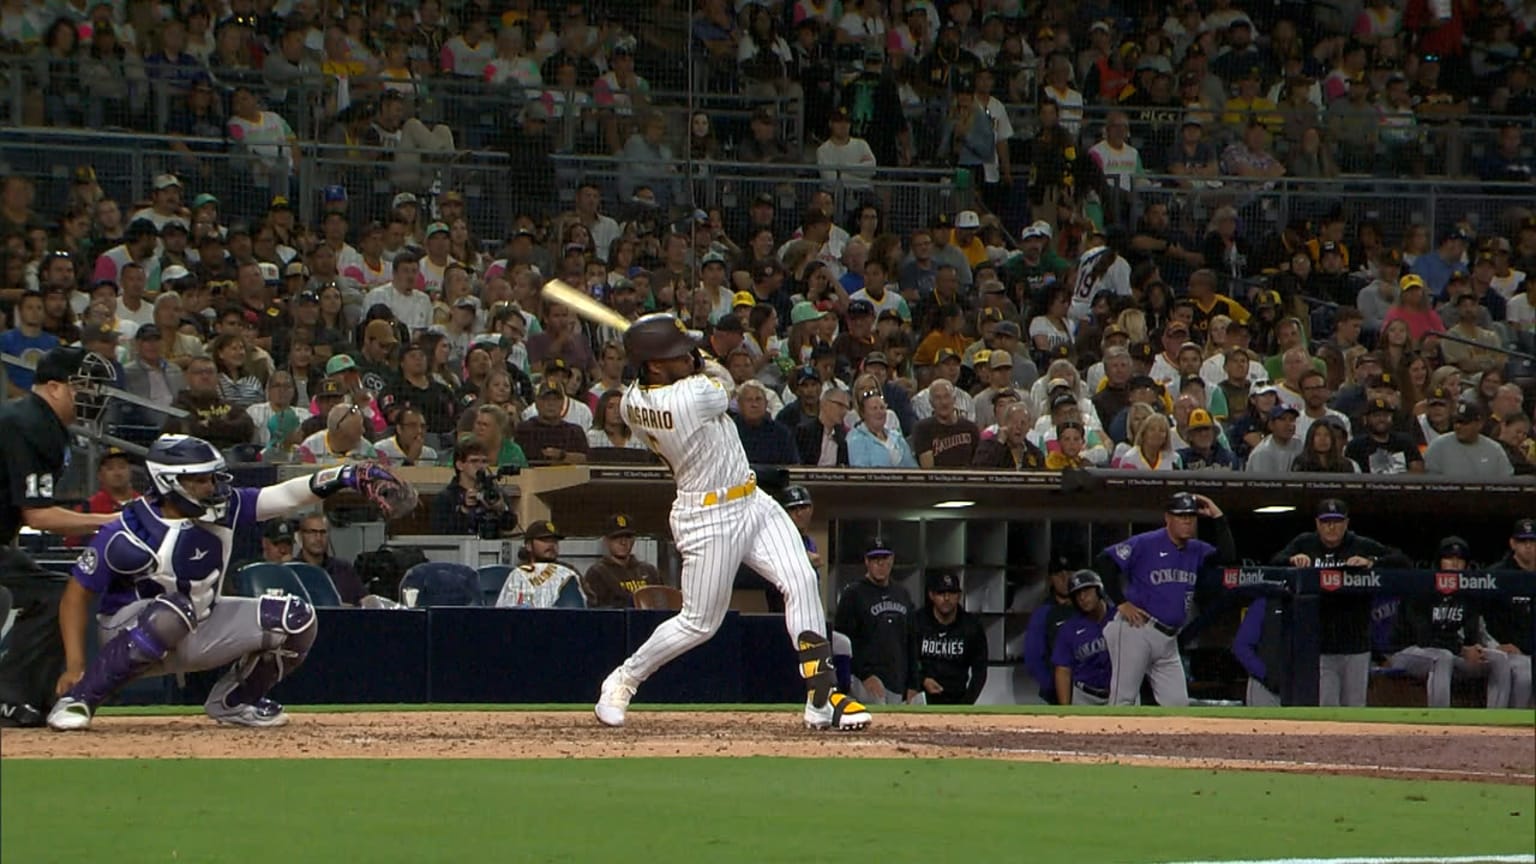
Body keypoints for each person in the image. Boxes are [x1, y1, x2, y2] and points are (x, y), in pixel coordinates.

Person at [594, 314, 869, 730]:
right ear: (653, 365)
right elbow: (723, 386)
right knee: (699, 623)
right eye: (675, 353)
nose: (687, 355)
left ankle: (823, 696)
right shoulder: (686, 397)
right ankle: (622, 680)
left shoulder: (632, 399)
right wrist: (700, 359)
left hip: (751, 499)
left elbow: (694, 367)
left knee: (800, 580)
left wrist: (677, 350)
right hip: (707, 517)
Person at [47, 435, 411, 730]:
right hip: (130, 632)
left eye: (211, 477)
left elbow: (285, 496)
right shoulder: (124, 532)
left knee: (297, 618)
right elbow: (75, 597)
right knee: (176, 609)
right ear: (168, 482)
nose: (211, 487)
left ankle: (236, 701)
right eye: (200, 480)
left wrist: (345, 475)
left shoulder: (225, 507)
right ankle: (81, 698)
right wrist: (75, 664)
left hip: (202, 626)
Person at [0, 347, 121, 727]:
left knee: (52, 594)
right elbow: (39, 515)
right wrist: (110, 520)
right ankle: (10, 697)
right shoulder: (27, 423)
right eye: (82, 388)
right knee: (52, 595)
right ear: (54, 387)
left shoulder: (37, 421)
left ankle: (19, 698)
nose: (91, 398)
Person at [1095, 492, 1235, 706]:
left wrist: (1218, 515)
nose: (1187, 520)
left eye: (1191, 515)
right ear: (1167, 518)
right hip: (1136, 630)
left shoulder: (1195, 549)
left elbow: (1228, 557)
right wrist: (1121, 602)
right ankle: (1106, 740)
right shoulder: (1146, 542)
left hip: (1169, 639)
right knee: (1123, 700)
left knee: (1178, 705)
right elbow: (1105, 561)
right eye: (1180, 515)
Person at [1270, 498, 1406, 707]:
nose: (1331, 527)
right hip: (1320, 646)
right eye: (1326, 522)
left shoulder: (1359, 544)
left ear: (1346, 523)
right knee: (1326, 707)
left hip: (1356, 643)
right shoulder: (1305, 543)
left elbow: (1401, 561)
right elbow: (1274, 562)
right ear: (1317, 524)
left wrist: (1372, 562)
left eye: (1336, 521)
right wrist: (1292, 560)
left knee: (1355, 708)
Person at [1386, 536, 1513, 709]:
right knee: (1442, 657)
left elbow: (1471, 634)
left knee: (1499, 659)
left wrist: (1474, 649)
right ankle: (1440, 722)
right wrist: (1461, 649)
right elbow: (1424, 637)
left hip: (1451, 652)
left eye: (1459, 560)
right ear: (1439, 562)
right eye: (1449, 559)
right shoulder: (1421, 589)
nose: (1454, 564)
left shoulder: (1468, 593)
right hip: (1407, 652)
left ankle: (1496, 720)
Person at [833, 538, 914, 706]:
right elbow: (842, 642)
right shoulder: (853, 594)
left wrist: (913, 683)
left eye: (884, 559)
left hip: (897, 678)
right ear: (866, 562)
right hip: (865, 679)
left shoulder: (902, 594)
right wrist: (864, 675)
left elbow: (911, 640)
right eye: (875, 559)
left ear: (892, 560)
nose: (880, 564)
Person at [908, 570, 987, 705]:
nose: (946, 598)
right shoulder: (918, 622)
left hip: (958, 699)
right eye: (941, 593)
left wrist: (967, 704)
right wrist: (922, 680)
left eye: (951, 593)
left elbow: (980, 671)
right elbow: (907, 659)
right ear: (931, 595)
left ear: (959, 596)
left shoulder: (971, 626)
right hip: (923, 698)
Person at [1485, 518, 1534, 709]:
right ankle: (1513, 728)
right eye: (1523, 541)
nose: (1528, 547)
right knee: (1524, 673)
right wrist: (1496, 644)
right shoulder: (1497, 575)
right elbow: (1482, 618)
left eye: (1532, 541)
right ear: (1513, 544)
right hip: (1507, 650)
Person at [1052, 570, 1116, 706]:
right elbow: (1063, 670)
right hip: (1085, 697)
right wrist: (1065, 710)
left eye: (1086, 591)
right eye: (1077, 594)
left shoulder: (1120, 618)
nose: (1082, 598)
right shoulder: (1069, 629)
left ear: (1099, 591)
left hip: (1121, 694)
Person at [429, 439, 517, 537]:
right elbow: (441, 532)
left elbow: (509, 526)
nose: (480, 466)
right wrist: (464, 510)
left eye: (484, 461)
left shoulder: (493, 493)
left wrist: (502, 509)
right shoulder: (445, 498)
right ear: (460, 465)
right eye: (474, 461)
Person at [580, 514, 664, 609]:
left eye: (627, 537)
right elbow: (595, 611)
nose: (623, 542)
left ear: (633, 540)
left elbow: (662, 604)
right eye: (616, 537)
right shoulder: (597, 573)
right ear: (606, 541)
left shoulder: (649, 571)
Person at [496, 520, 585, 608]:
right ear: (529, 546)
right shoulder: (518, 575)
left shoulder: (569, 573)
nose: (551, 545)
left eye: (554, 541)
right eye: (545, 540)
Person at [1425, 402, 1514, 477]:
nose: (1458, 426)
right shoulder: (1438, 446)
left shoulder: (1494, 450)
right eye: (1456, 421)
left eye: (1464, 422)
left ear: (1479, 424)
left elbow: (1506, 481)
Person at [294, 513, 363, 606]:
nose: (318, 538)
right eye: (312, 532)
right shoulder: (291, 571)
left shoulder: (344, 570)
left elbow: (362, 603)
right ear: (300, 536)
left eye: (323, 532)